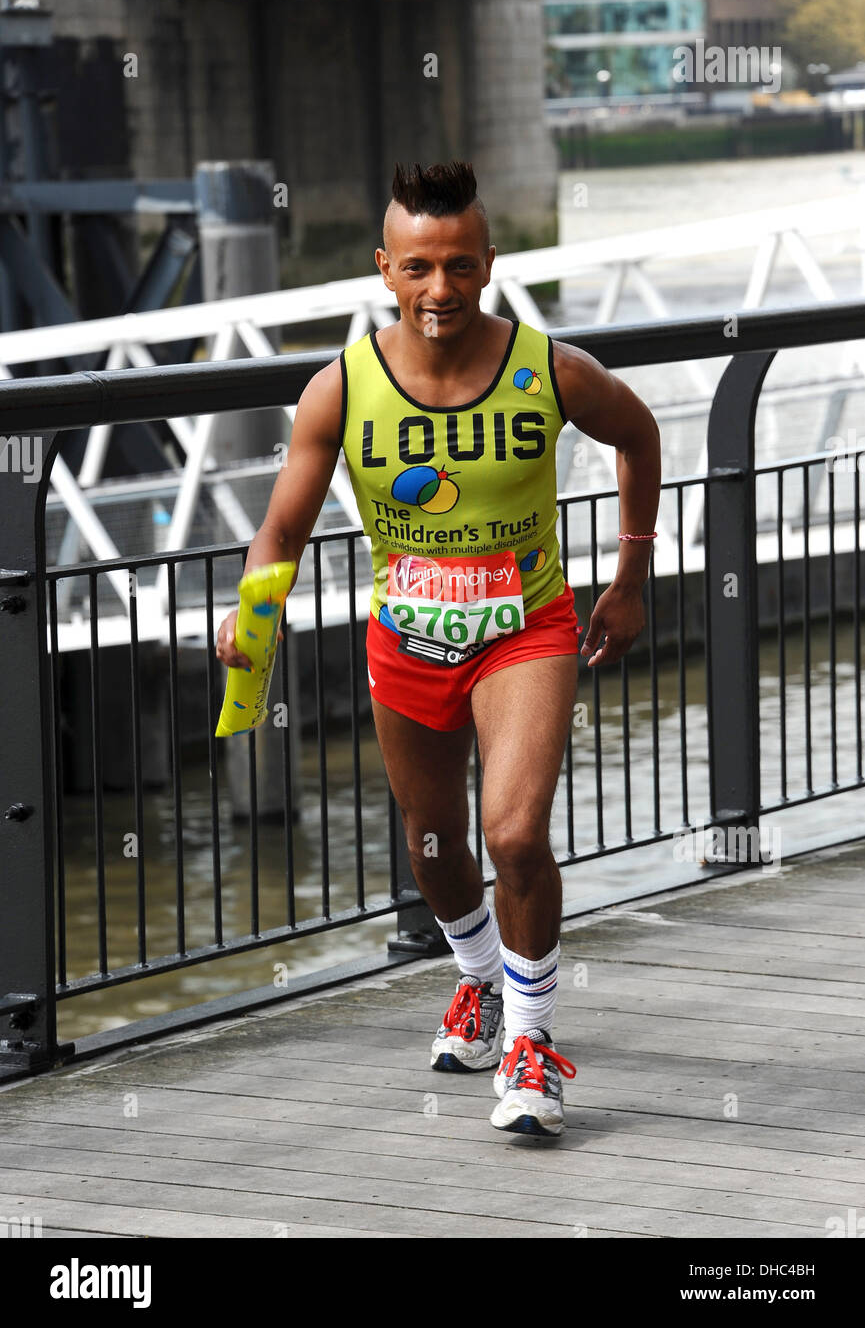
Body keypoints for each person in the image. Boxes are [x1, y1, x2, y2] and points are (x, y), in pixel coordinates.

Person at [216, 161, 661, 1138]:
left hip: (525, 632)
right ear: (385, 269)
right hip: (407, 641)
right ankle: (478, 978)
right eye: (418, 267)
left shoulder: (551, 371)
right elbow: (282, 526)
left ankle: (532, 1045)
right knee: (434, 842)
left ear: (489, 263)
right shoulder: (340, 388)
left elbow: (637, 433)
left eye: (459, 265)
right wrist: (254, 612)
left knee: (514, 835)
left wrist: (629, 579)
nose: (440, 288)